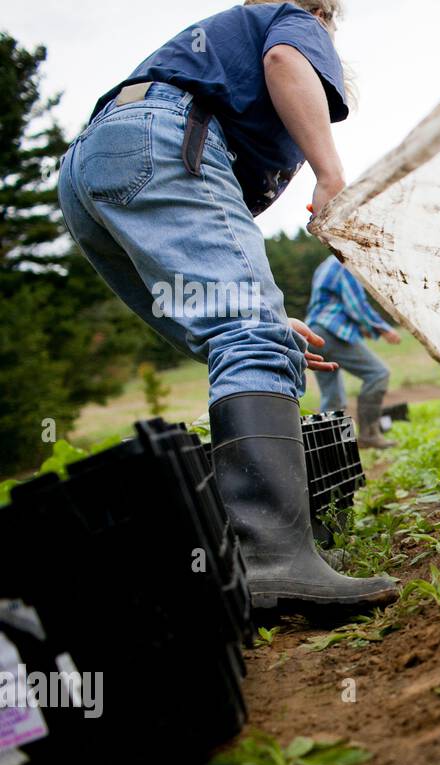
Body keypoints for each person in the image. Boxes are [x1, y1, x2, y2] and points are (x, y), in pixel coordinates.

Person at [56, 1, 398, 616]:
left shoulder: (219, 43)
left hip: (91, 166)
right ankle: (272, 559)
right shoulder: (300, 19)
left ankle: (262, 552)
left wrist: (258, 324)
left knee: (240, 336)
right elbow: (285, 59)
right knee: (250, 334)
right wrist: (329, 172)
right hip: (162, 137)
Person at [306, 256, 400, 448]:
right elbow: (355, 305)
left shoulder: (323, 265)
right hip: (331, 331)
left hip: (313, 333)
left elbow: (330, 303)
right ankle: (369, 435)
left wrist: (361, 328)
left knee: (332, 396)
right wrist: (383, 328)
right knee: (378, 374)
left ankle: (330, 448)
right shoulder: (344, 261)